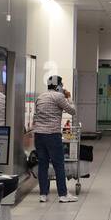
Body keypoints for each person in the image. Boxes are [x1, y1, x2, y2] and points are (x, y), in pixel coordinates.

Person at [34, 74, 77, 203]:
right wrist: (68, 97)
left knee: (43, 165)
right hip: (52, 135)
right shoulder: (59, 96)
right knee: (58, 164)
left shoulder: (40, 97)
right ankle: (63, 194)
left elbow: (35, 116)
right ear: (58, 86)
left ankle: (43, 194)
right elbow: (72, 111)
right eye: (61, 84)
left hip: (39, 135)